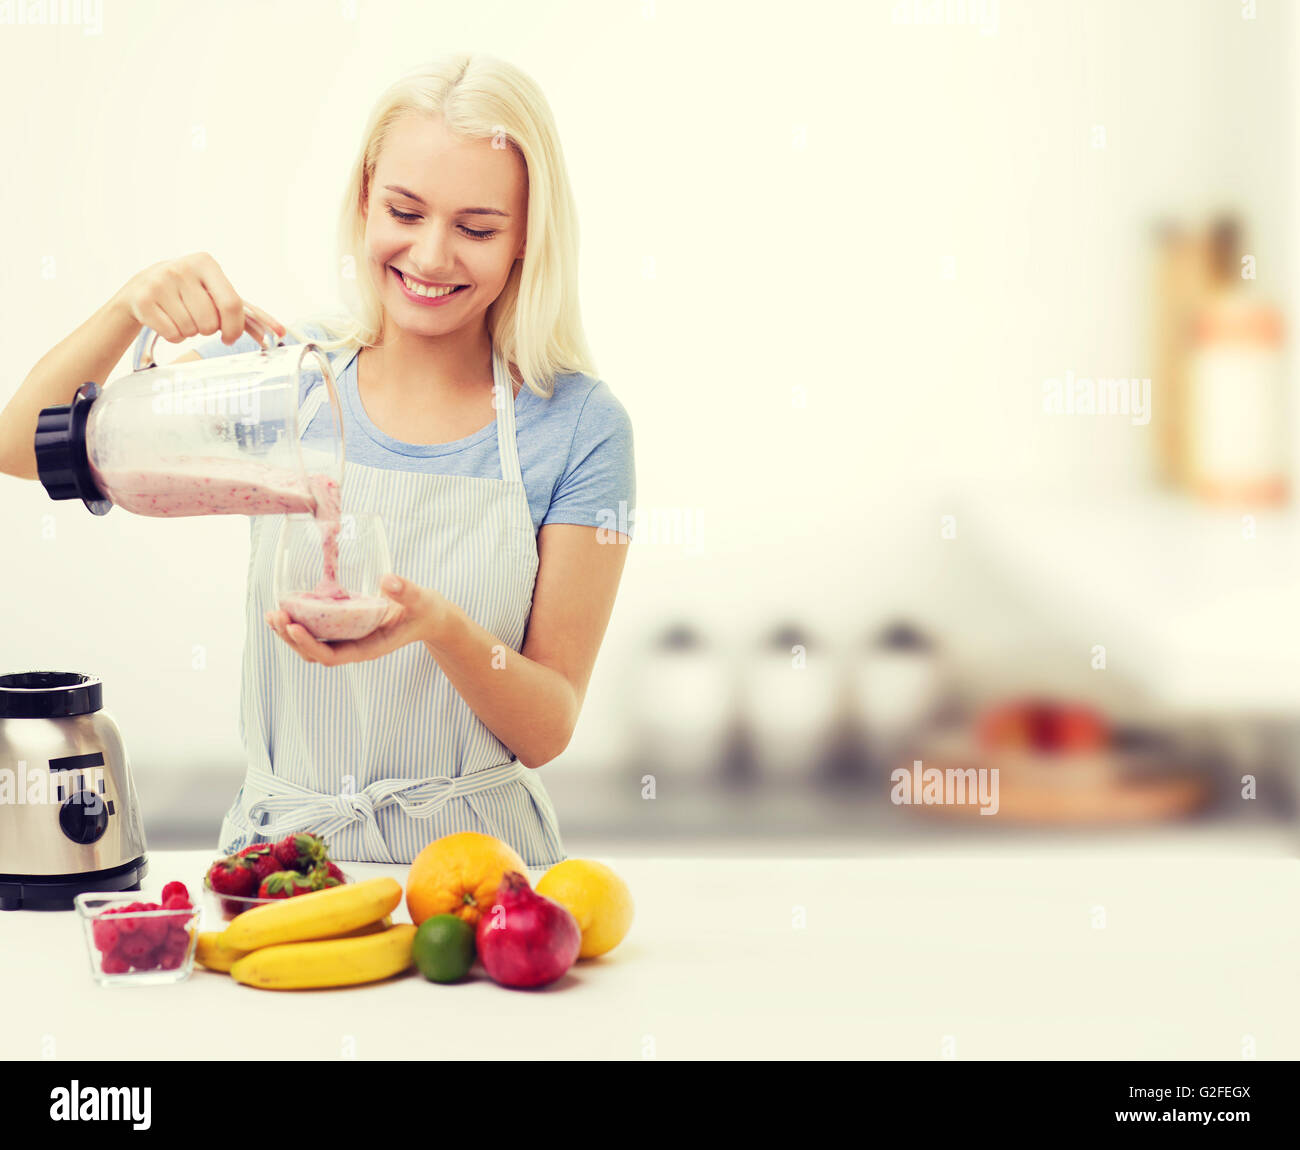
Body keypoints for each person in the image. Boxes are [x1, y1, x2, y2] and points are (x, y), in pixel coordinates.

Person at [0, 53, 634, 867]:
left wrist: (435, 627)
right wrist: (130, 305)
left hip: (482, 880)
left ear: (526, 240)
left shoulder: (579, 427)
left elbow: (547, 726)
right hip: (284, 866)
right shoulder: (281, 384)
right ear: (365, 198)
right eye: (405, 210)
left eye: (477, 228)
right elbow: (21, 445)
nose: (433, 257)